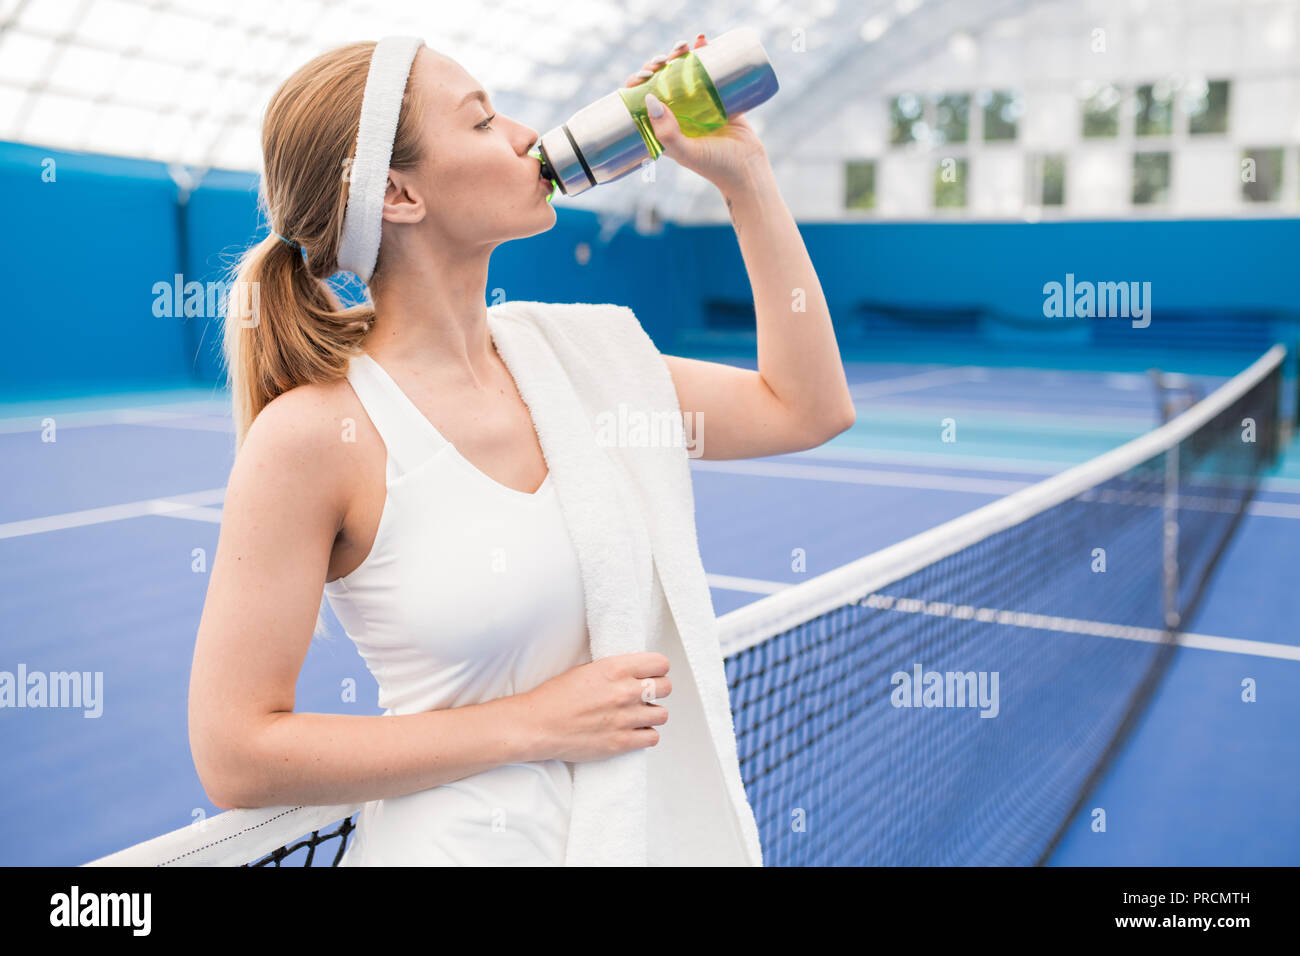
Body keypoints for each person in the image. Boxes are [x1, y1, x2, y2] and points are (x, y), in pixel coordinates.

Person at [188, 33, 855, 865]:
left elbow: (806, 408)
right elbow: (234, 752)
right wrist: (535, 723)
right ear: (398, 193)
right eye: (480, 121)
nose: (521, 135)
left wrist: (744, 179)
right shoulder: (315, 436)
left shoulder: (584, 365)